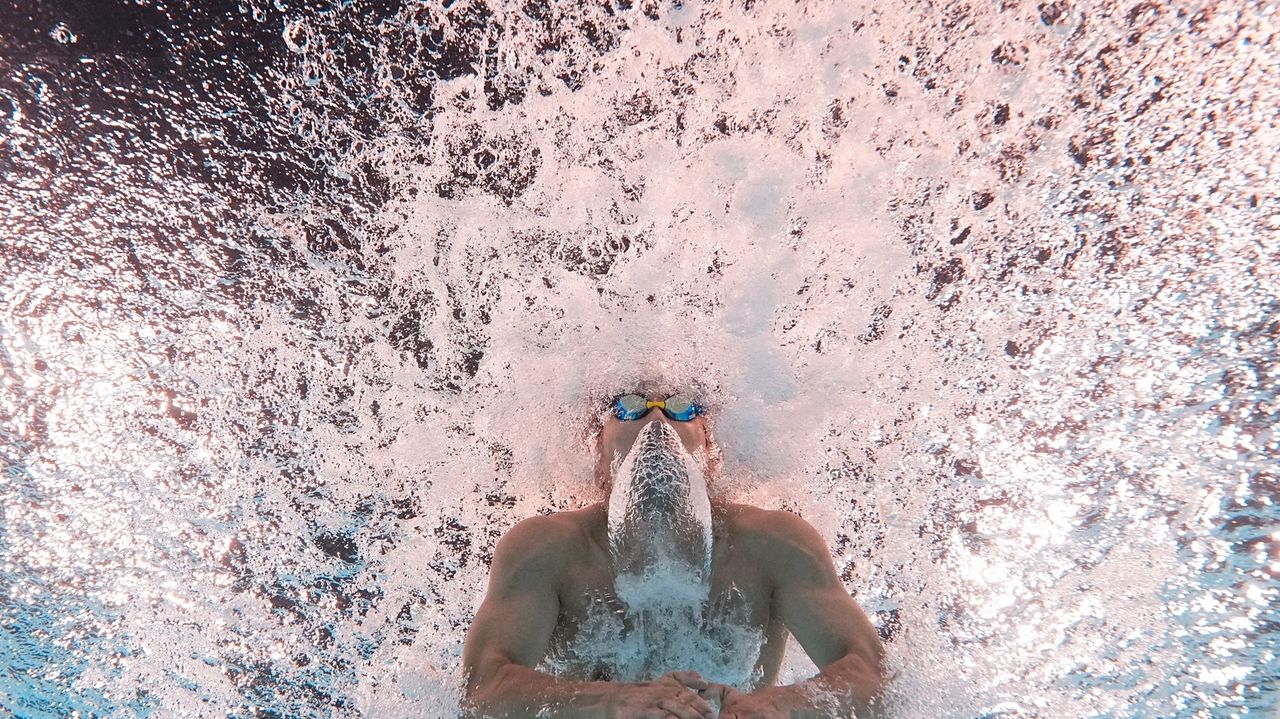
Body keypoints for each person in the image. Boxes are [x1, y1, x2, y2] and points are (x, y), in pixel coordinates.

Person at [462, 390, 886, 719]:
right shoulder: (548, 551)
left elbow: (874, 676)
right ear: (599, 455)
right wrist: (613, 705)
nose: (657, 418)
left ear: (711, 454)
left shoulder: (774, 545)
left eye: (682, 406)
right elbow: (481, 693)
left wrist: (778, 706)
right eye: (629, 406)